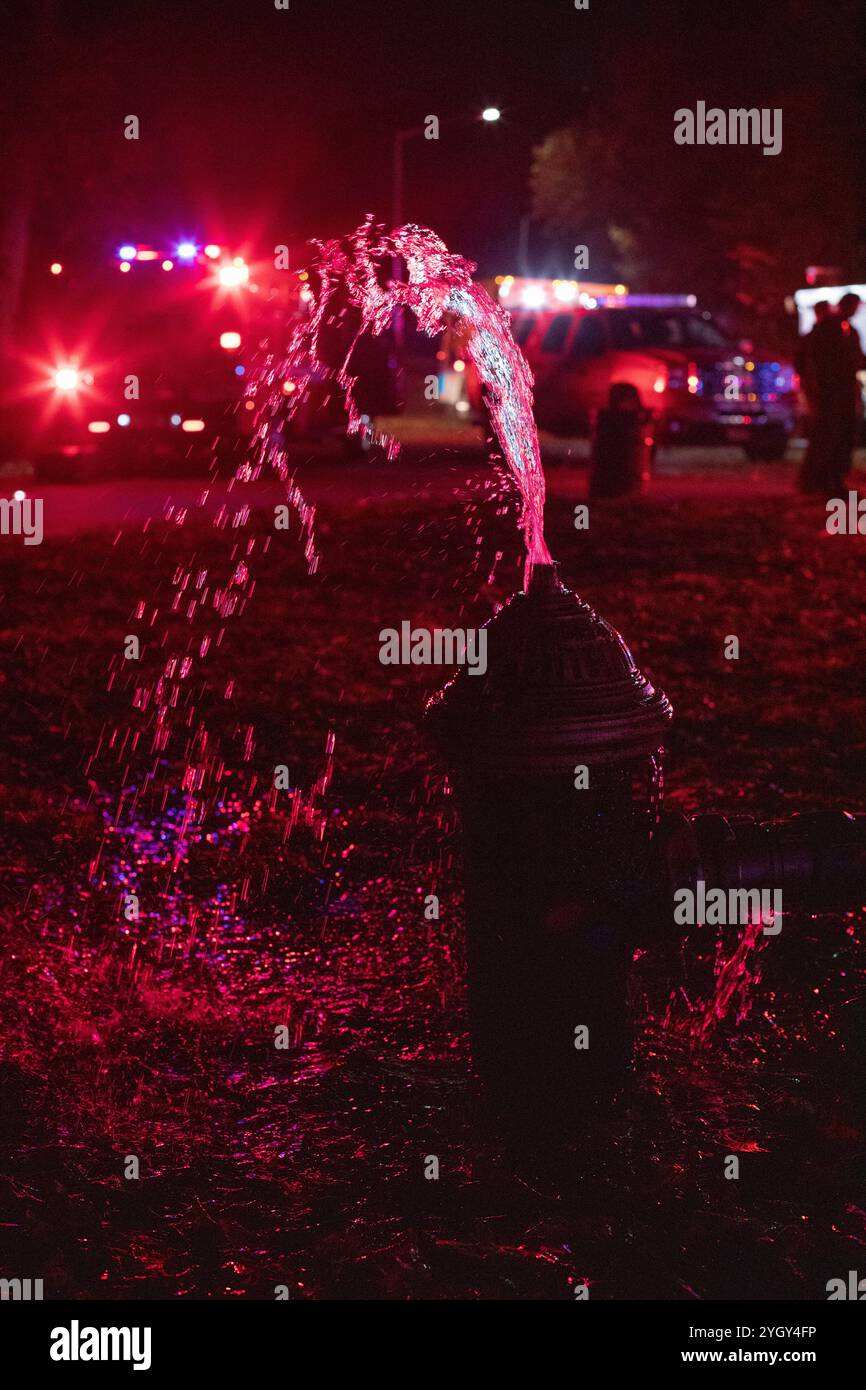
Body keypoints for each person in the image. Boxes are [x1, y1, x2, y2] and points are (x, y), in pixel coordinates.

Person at [799, 293, 865, 495]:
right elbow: (818, 361)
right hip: (831, 393)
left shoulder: (846, 329)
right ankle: (823, 479)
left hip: (841, 392)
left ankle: (827, 479)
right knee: (830, 436)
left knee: (840, 436)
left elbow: (855, 358)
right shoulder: (830, 329)